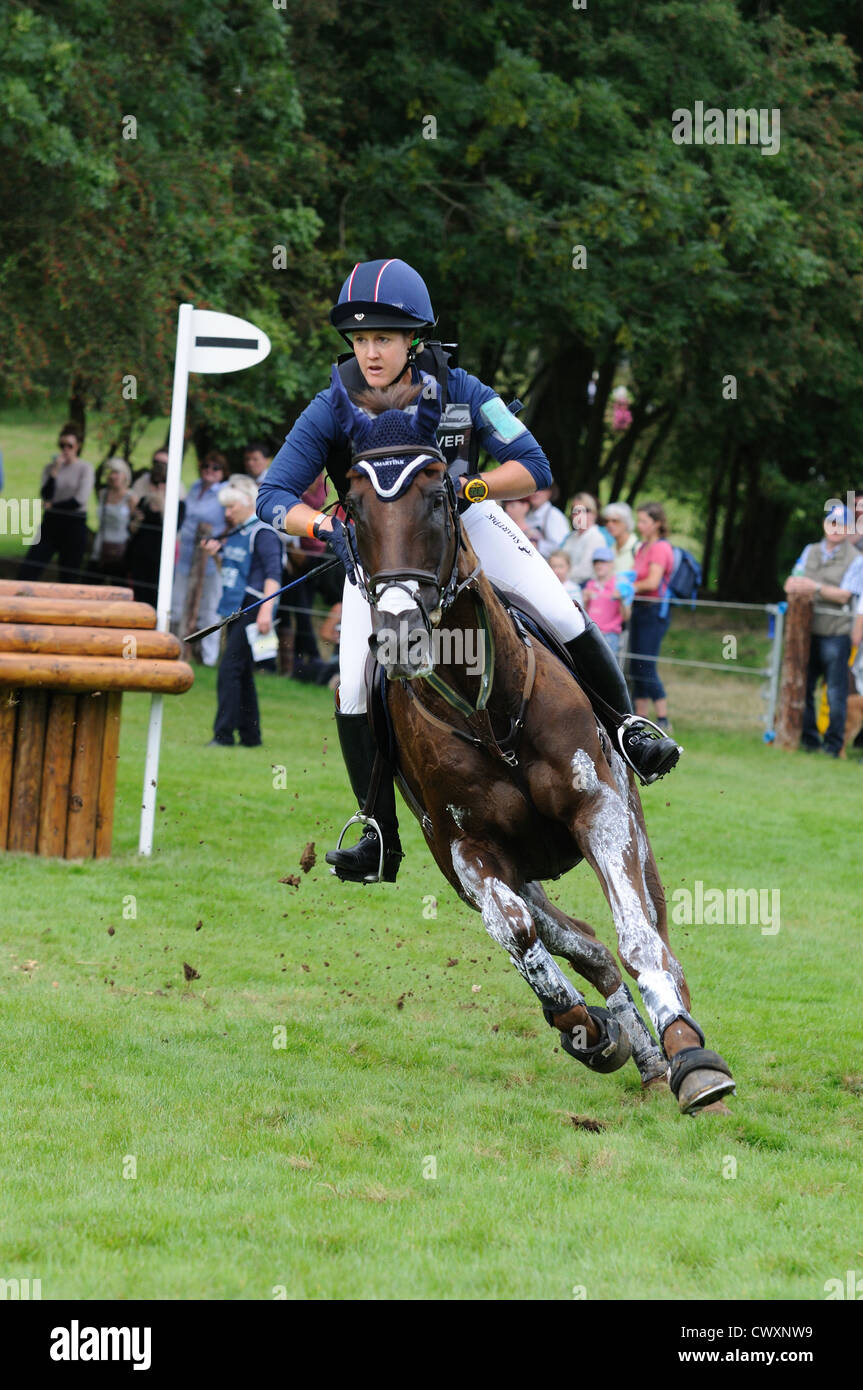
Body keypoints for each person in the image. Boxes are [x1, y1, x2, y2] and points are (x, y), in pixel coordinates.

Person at [257, 259, 680, 883]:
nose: (371, 352)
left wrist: (471, 488)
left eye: (385, 338)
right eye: (361, 339)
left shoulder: (462, 389)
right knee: (352, 683)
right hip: (378, 552)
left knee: (561, 611)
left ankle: (627, 731)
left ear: (414, 341)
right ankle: (378, 831)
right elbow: (273, 496)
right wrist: (327, 527)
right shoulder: (331, 406)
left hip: (465, 525)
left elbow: (533, 464)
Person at [204, 476, 282, 747]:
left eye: (231, 507)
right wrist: (216, 555)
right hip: (237, 607)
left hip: (254, 606)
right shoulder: (237, 533)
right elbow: (230, 574)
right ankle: (251, 737)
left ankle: (223, 736)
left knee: (229, 670)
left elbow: (274, 575)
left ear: (248, 503)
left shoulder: (263, 533)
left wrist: (265, 613)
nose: (227, 513)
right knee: (242, 673)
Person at [784, 504, 863, 757]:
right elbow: (791, 581)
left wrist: (812, 587)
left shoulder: (857, 559)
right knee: (804, 686)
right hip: (806, 632)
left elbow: (844, 596)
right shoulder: (810, 551)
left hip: (836, 633)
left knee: (836, 692)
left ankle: (833, 746)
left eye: (841, 525)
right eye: (832, 523)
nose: (836, 529)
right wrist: (803, 585)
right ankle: (809, 741)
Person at [18, 423, 94, 583]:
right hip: (51, 523)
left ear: (78, 446)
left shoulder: (85, 468)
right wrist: (54, 472)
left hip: (74, 523)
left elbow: (79, 500)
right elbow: (46, 495)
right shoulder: (50, 468)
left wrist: (52, 506)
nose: (65, 449)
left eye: (70, 445)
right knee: (29, 569)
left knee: (69, 575)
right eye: (62, 445)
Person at [171, 451, 228, 666]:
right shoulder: (194, 487)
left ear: (222, 472)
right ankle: (176, 648)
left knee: (209, 610)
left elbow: (231, 521)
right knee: (176, 605)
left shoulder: (224, 493)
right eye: (206, 466)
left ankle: (208, 658)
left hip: (210, 561)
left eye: (215, 468)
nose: (209, 471)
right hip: (185, 556)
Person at [629, 502, 675, 730]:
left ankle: (663, 717)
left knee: (646, 663)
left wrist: (630, 586)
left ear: (657, 523)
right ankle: (641, 716)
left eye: (644, 521)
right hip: (639, 608)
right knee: (636, 663)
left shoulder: (660, 548)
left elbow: (653, 582)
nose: (640, 526)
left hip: (654, 610)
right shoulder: (642, 547)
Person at [126, 449, 185, 606]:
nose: (159, 468)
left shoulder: (177, 499)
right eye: (156, 463)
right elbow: (132, 528)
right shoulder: (143, 494)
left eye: (163, 465)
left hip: (162, 557)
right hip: (140, 556)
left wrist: (162, 503)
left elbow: (175, 528)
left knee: (156, 597)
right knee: (138, 595)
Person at [583, 546, 634, 662]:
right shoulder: (590, 585)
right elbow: (585, 614)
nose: (599, 565)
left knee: (607, 669)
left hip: (609, 636)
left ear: (612, 564)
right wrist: (585, 601)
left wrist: (621, 599)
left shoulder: (620, 585)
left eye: (603, 561)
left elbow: (626, 617)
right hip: (591, 634)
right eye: (596, 562)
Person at [92, 458, 132, 579]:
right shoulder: (103, 494)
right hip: (100, 546)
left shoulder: (131, 498)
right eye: (110, 473)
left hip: (120, 549)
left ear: (125, 475)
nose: (113, 476)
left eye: (117, 473)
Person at [560, 493, 607, 584]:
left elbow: (586, 571)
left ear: (594, 514)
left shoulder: (596, 537)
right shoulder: (571, 537)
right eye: (575, 510)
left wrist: (560, 574)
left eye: (585, 510)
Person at [524, 485, 569, 559]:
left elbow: (560, 547)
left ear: (549, 493)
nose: (536, 493)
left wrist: (537, 544)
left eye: (540, 489)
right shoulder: (528, 514)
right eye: (533, 489)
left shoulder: (554, 515)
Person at [601, 501, 638, 575]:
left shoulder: (638, 548)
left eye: (615, 521)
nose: (609, 524)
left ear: (626, 523)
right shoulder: (610, 548)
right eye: (606, 521)